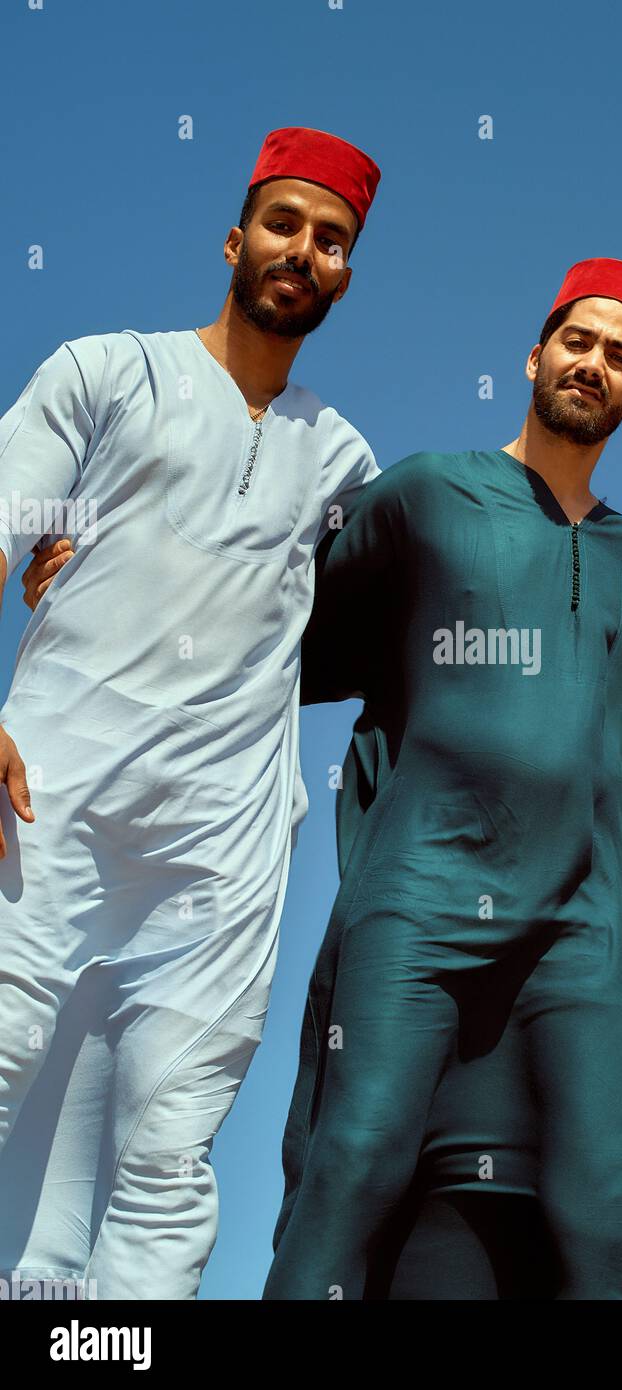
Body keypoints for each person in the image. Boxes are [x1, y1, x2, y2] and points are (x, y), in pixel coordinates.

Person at [262, 257, 622, 1301]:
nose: (594, 363)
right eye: (579, 341)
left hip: (584, 920)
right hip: (423, 887)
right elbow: (278, 637)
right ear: (536, 356)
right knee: (354, 1160)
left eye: (621, 356)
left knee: (597, 1211)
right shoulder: (424, 493)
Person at [0, 125, 382, 1299]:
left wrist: (620, 567)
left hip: (218, 857)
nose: (304, 253)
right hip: (47, 804)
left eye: (333, 241)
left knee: (166, 1155)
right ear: (235, 236)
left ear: (346, 274)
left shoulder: (343, 462)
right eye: (285, 224)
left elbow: (439, 588)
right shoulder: (107, 373)